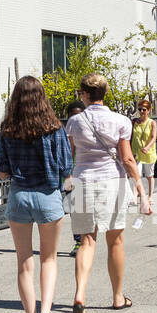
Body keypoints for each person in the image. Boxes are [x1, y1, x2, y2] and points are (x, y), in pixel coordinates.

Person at [66, 73, 152, 313]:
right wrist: (141, 191)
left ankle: (80, 296)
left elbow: (70, 155)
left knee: (86, 241)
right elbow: (126, 158)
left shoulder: (75, 121)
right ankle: (117, 297)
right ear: (105, 93)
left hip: (82, 182)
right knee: (115, 241)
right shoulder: (121, 121)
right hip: (112, 183)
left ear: (83, 94)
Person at [0, 76, 72, 313]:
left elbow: (2, 169)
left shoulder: (7, 129)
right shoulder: (54, 128)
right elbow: (65, 167)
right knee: (49, 259)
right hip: (48, 195)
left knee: (24, 264)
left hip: (19, 196)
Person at [64, 101, 85, 256]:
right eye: (72, 116)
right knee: (75, 210)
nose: (75, 119)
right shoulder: (64, 134)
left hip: (89, 175)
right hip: (72, 175)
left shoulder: (89, 132)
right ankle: (79, 241)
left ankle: (87, 240)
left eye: (78, 115)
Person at [131, 97, 157, 199]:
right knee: (135, 174)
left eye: (144, 109)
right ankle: (135, 195)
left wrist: (147, 147)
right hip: (136, 152)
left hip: (148, 153)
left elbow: (154, 137)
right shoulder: (134, 122)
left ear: (148, 110)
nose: (141, 111)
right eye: (140, 109)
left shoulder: (152, 122)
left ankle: (150, 196)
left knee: (149, 175)